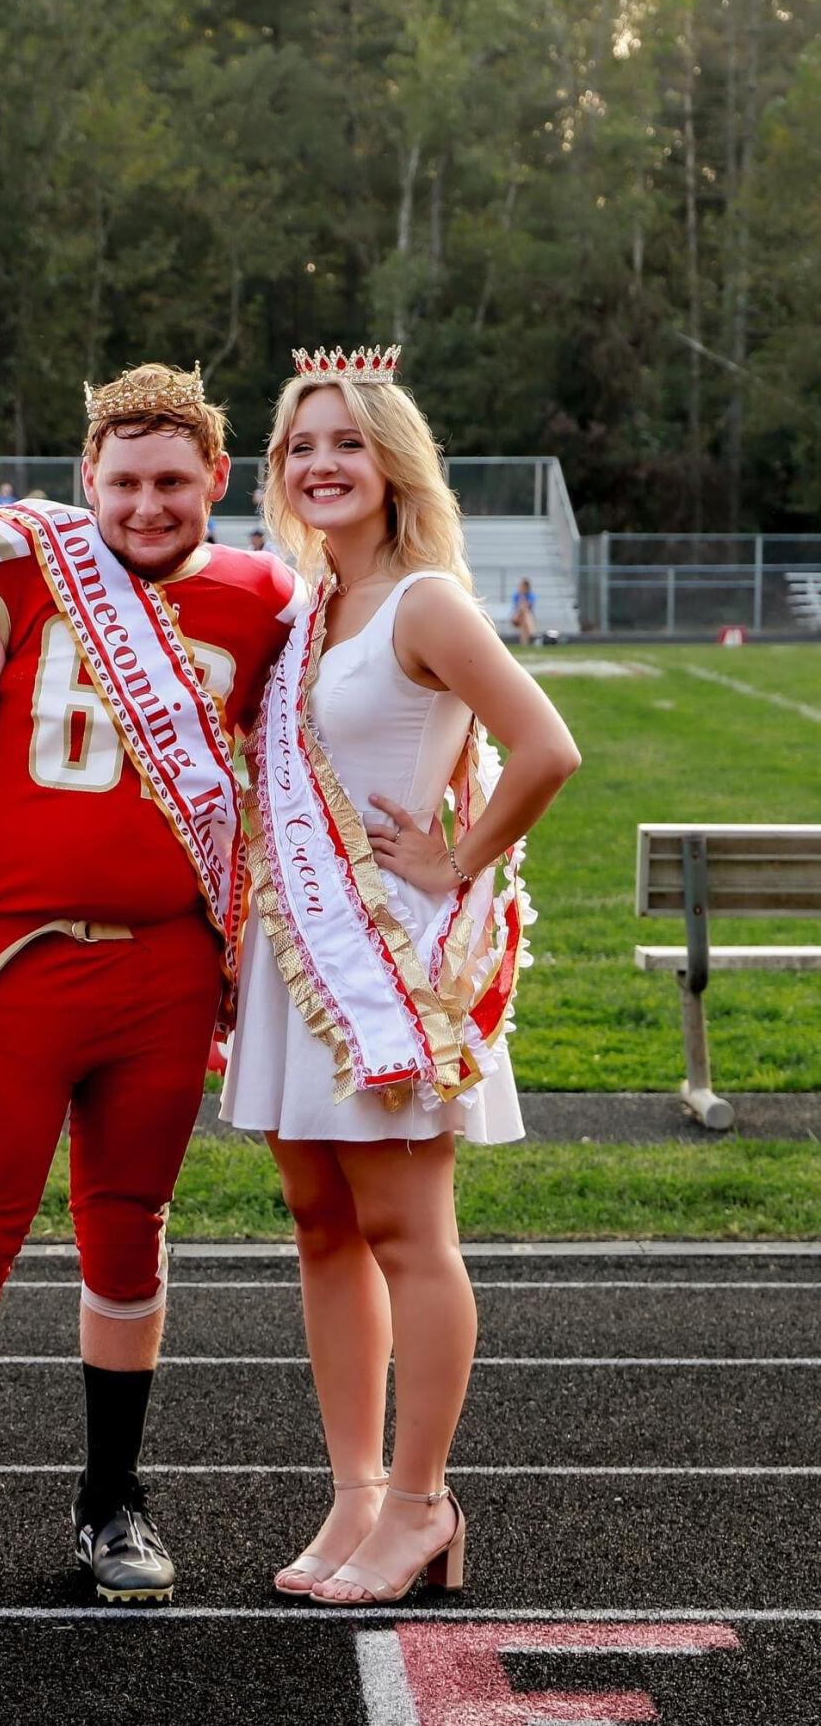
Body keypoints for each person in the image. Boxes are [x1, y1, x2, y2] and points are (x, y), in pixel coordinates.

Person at [0, 361, 304, 1612]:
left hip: (166, 969)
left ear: (218, 482)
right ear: (86, 478)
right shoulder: (13, 572)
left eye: (174, 481)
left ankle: (109, 1497)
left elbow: (295, 783)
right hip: (16, 966)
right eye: (126, 479)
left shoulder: (260, 598)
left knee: (128, 1229)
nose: (149, 504)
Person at [221, 343, 580, 1608]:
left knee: (407, 1235)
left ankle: (424, 1502)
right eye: (301, 446)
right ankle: (357, 1491)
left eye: (346, 443)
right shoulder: (312, 606)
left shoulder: (427, 601)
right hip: (303, 961)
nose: (322, 464)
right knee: (323, 1230)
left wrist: (454, 856)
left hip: (384, 964)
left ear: (393, 461)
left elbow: (549, 744)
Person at [511, 578, 538, 647]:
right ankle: (532, 633)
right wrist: (522, 595)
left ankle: (524, 643)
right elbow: (518, 607)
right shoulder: (516, 595)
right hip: (516, 618)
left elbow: (529, 606)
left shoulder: (531, 595)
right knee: (525, 613)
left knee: (525, 617)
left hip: (523, 617)